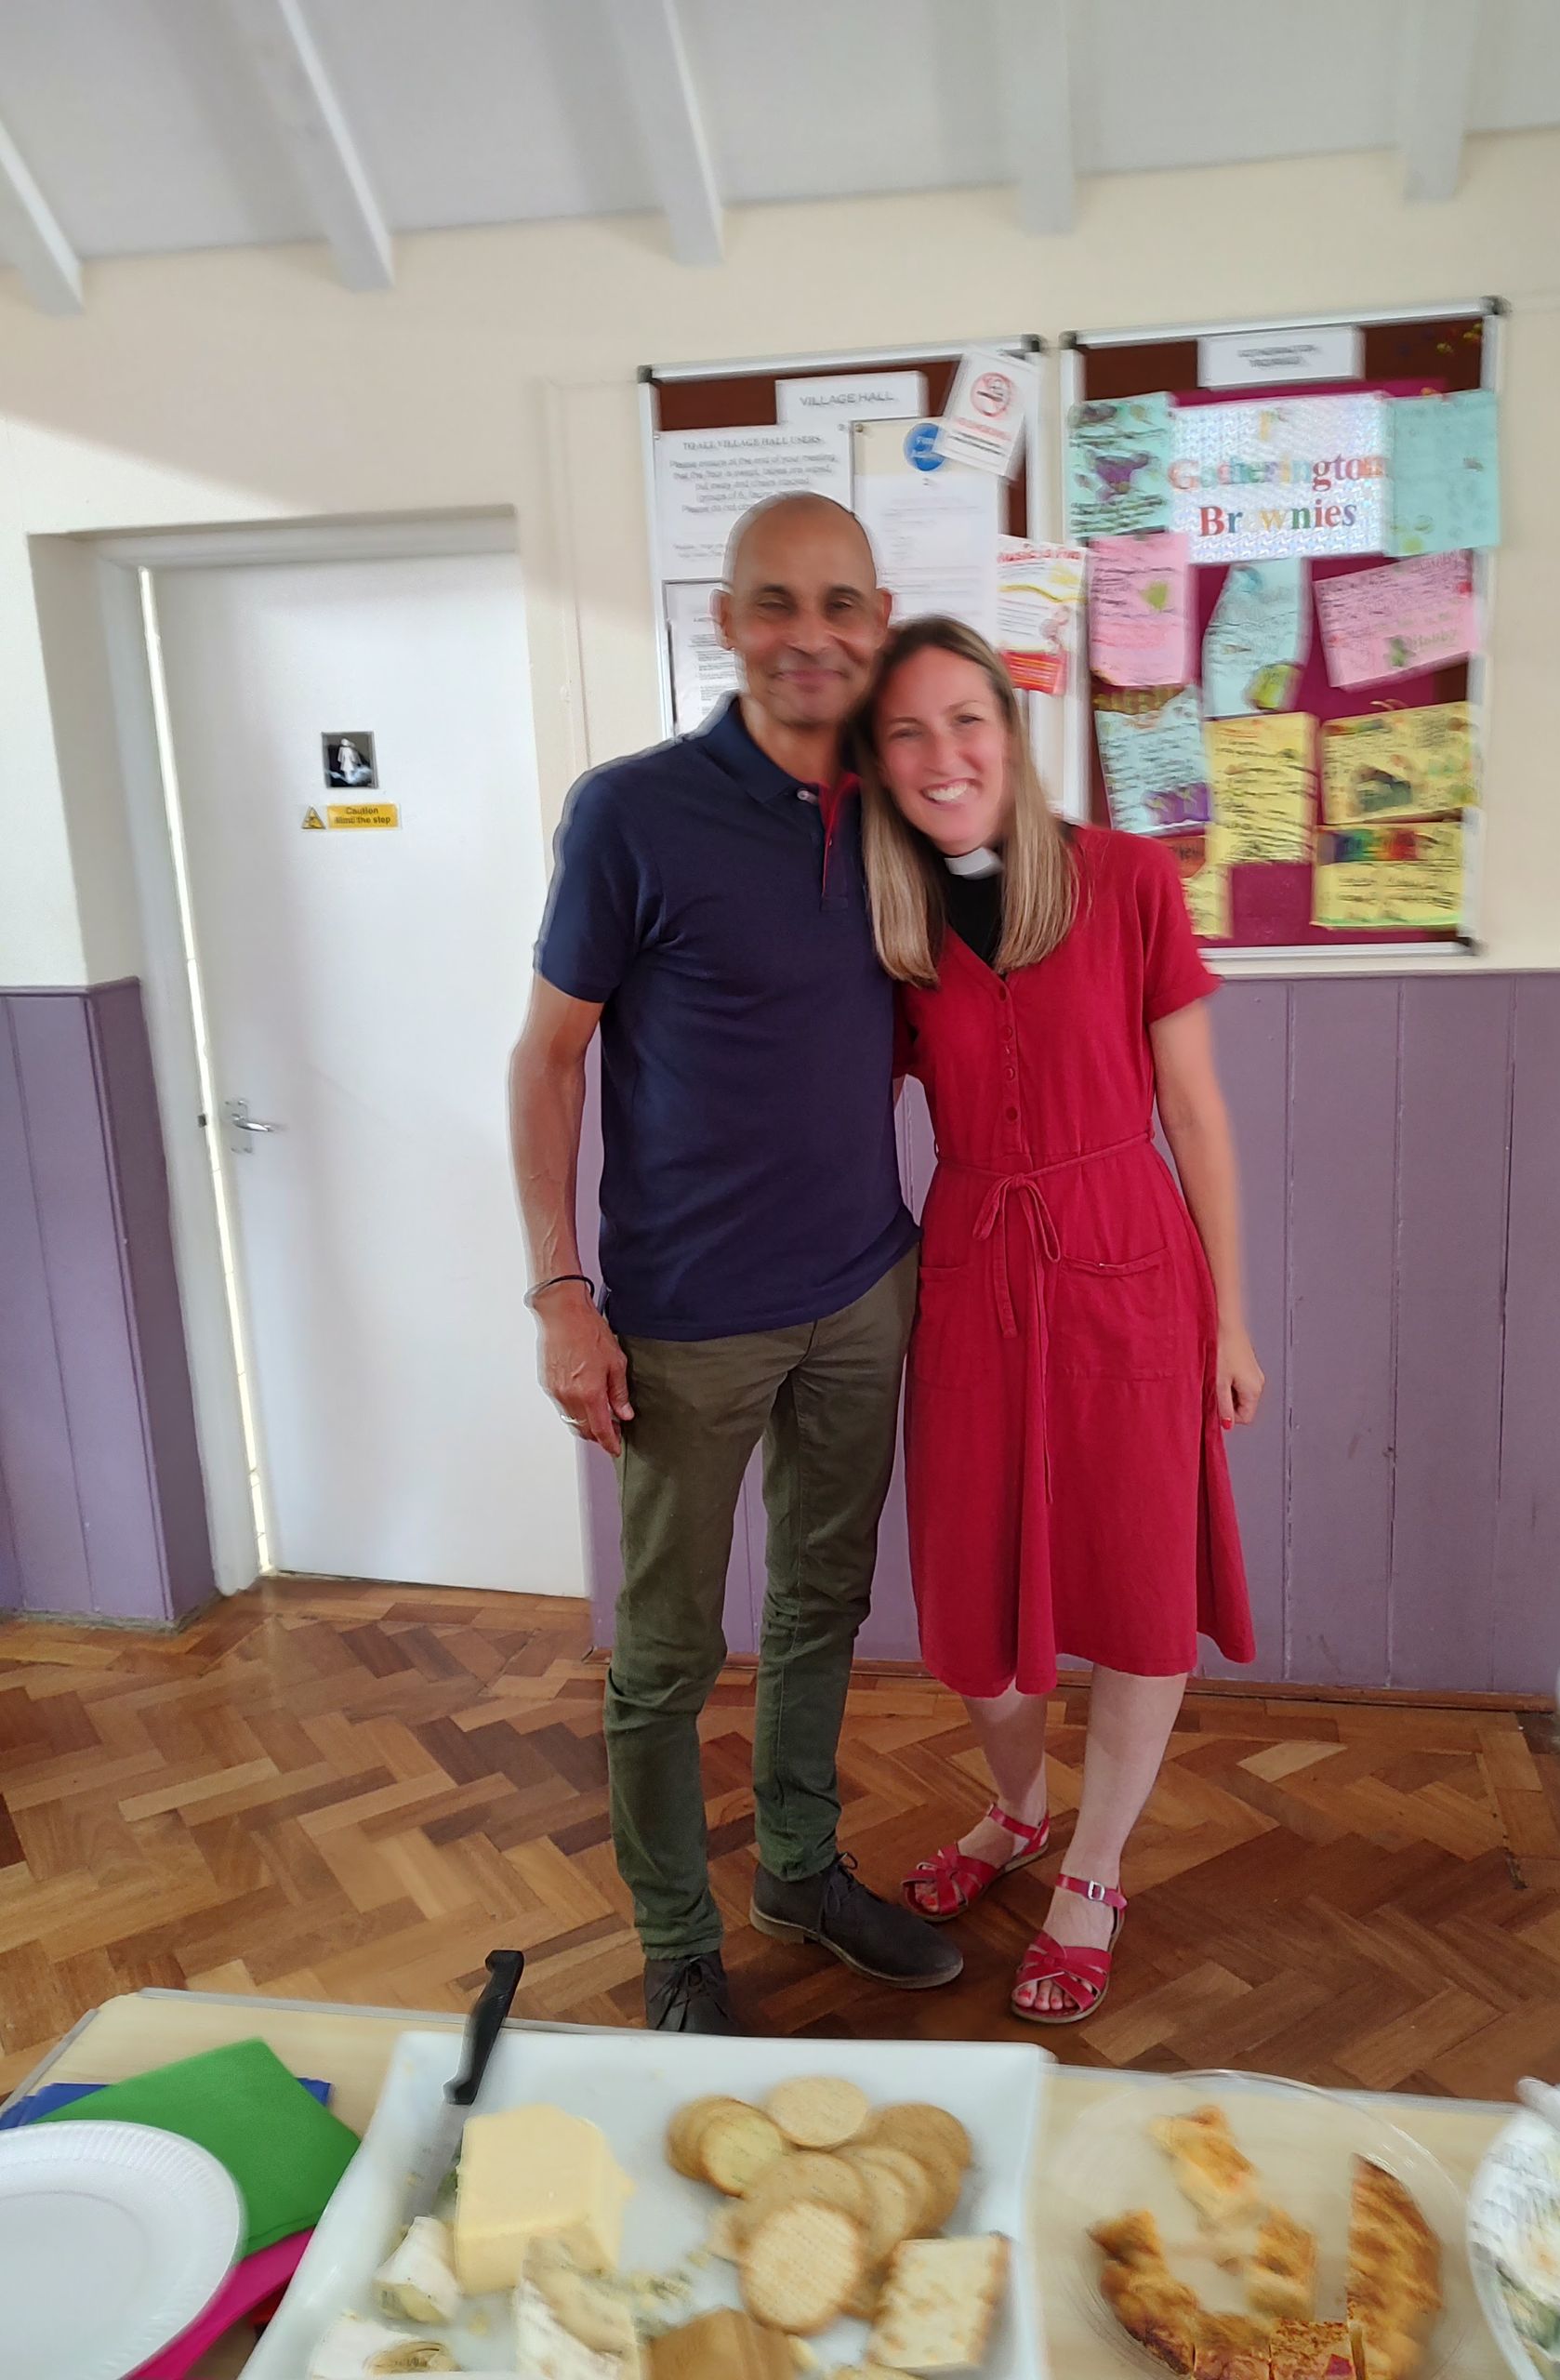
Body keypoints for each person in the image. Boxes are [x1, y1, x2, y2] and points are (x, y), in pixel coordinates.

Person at [509, 496, 959, 2034]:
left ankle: (798, 1870)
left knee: (825, 1604)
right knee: (664, 1654)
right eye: (777, 603)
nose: (811, 635)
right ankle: (676, 1941)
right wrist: (563, 1290)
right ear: (725, 620)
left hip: (863, 1290)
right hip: (687, 1318)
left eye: (840, 604)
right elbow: (547, 1061)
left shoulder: (904, 804)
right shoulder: (631, 812)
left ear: (879, 615)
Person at [856, 615, 1263, 2025]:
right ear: (878, 764)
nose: (942, 753)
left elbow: (1196, 1112)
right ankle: (1017, 1809)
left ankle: (1094, 1867)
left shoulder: (1129, 879)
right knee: (972, 1595)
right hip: (972, 1268)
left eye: (966, 719)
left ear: (1010, 731)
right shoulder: (890, 924)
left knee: (1140, 1578)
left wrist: (1232, 1321)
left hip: (1131, 1267)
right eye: (904, 730)